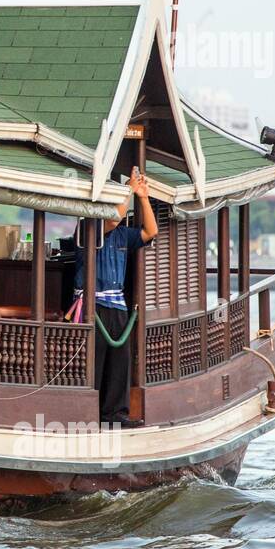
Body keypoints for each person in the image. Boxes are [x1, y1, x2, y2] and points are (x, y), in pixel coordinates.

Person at [73, 166, 158, 428]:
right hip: (91, 304)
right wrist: (130, 190)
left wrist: (143, 197)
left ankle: (115, 414)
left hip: (117, 304)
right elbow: (113, 219)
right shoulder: (87, 226)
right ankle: (89, 412)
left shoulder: (122, 234)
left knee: (119, 358)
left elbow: (150, 232)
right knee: (94, 358)